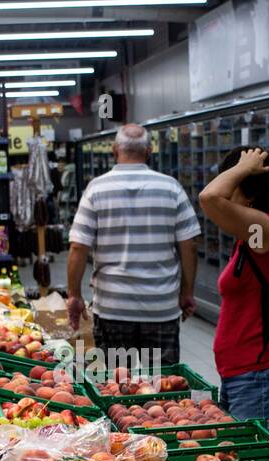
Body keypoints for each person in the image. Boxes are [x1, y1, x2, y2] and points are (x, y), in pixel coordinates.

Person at [67, 124, 199, 368]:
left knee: (117, 388)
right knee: (163, 389)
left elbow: (78, 247)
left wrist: (74, 296)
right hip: (161, 308)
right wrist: (186, 292)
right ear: (149, 152)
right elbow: (189, 245)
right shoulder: (171, 188)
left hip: (113, 309)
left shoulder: (96, 189)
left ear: (115, 151)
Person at [199, 146, 269, 436]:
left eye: (232, 182)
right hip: (248, 373)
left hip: (263, 373)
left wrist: (243, 168)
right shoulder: (255, 236)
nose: (227, 189)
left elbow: (209, 198)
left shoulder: (267, 230)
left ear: (250, 192)